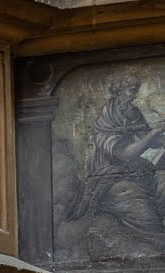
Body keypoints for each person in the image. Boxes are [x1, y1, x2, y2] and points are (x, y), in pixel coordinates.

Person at [68, 71, 165, 234]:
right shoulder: (104, 123)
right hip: (112, 178)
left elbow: (148, 143)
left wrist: (160, 137)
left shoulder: (133, 113)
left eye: (136, 90)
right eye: (131, 90)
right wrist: (153, 133)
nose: (134, 96)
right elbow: (125, 154)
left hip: (140, 171)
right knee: (147, 218)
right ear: (119, 90)